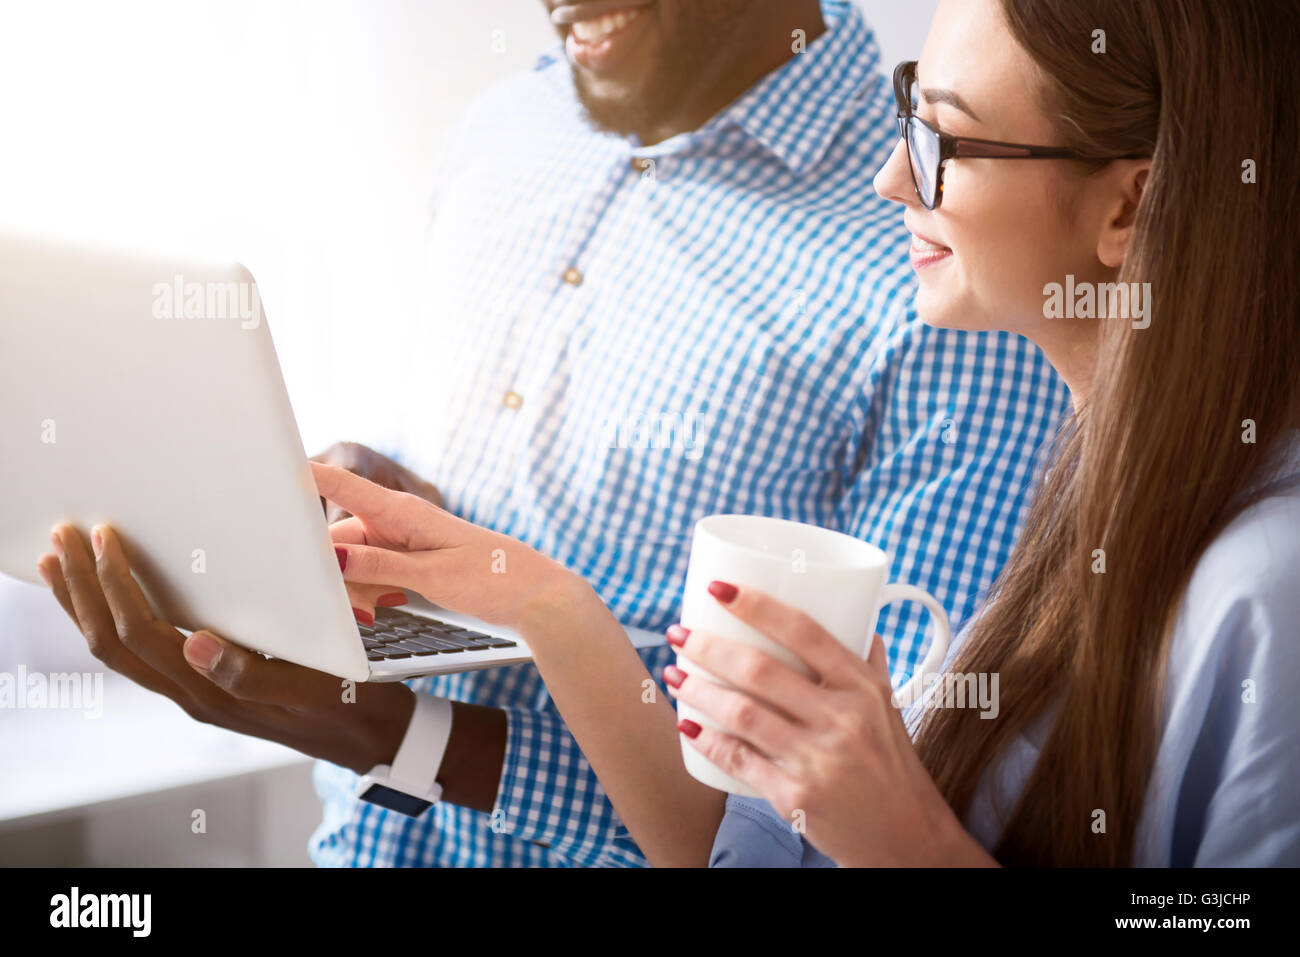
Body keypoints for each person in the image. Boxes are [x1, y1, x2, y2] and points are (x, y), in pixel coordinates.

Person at [36, 0, 1068, 867]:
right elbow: (473, 505)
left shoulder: (952, 261)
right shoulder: (510, 127)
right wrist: (379, 499)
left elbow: (819, 836)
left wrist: (389, 732)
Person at [305, 0, 1300, 865]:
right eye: (909, 113)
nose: (890, 182)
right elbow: (757, 852)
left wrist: (899, 836)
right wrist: (536, 600)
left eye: (940, 141)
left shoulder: (1265, 584)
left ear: (1126, 205)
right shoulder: (1092, 482)